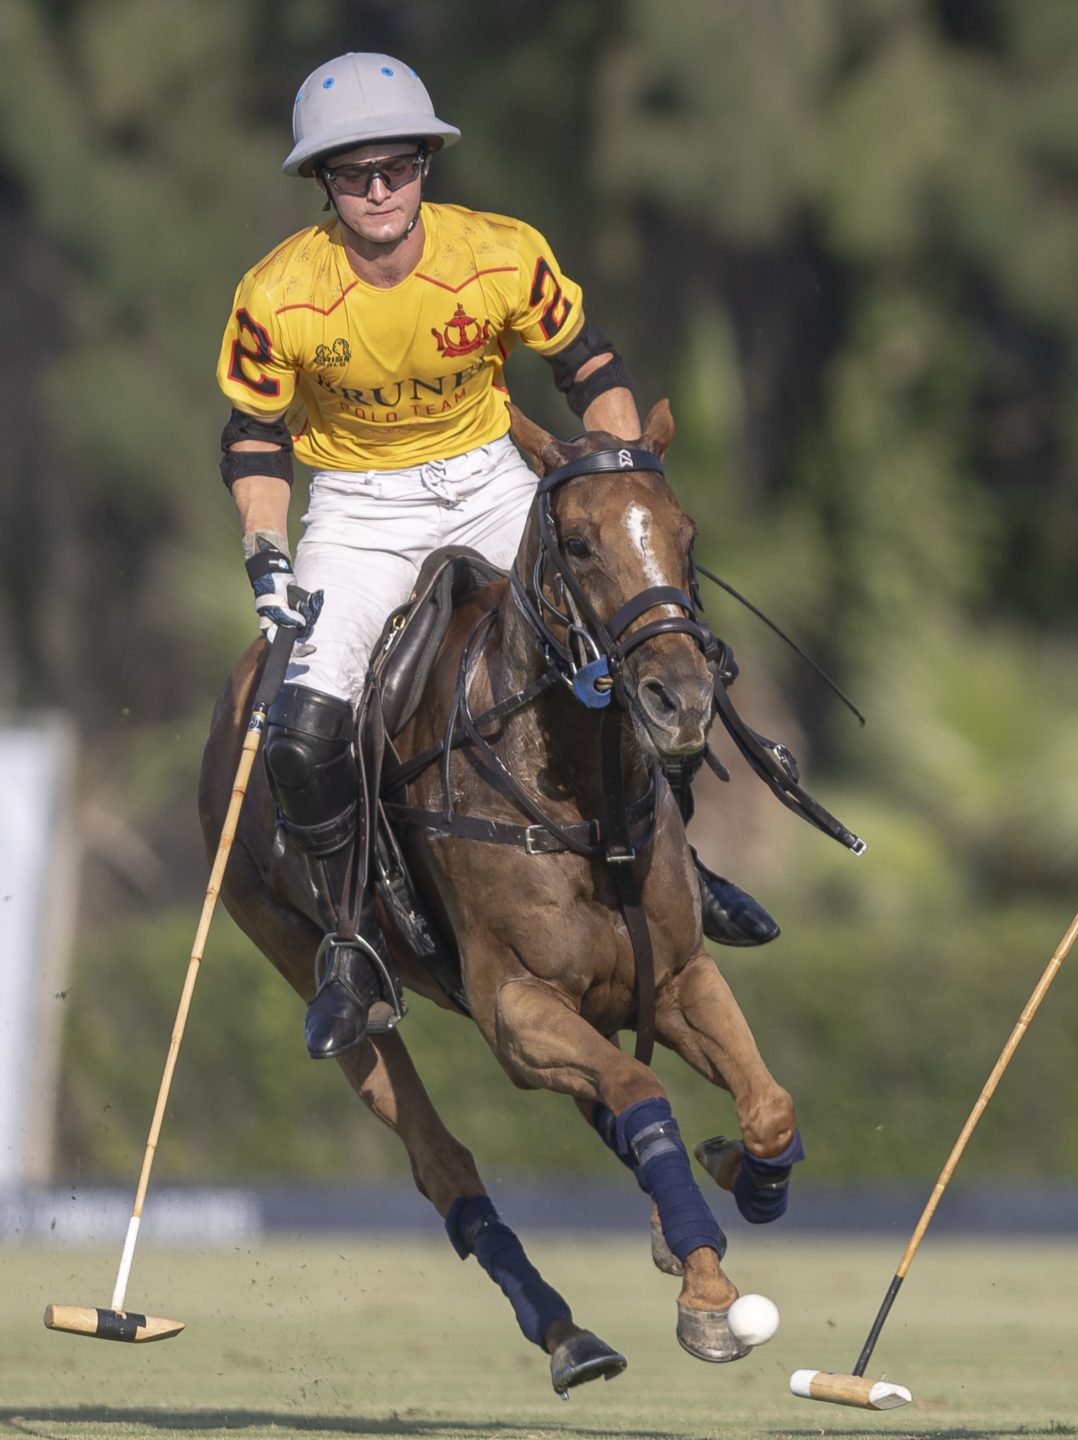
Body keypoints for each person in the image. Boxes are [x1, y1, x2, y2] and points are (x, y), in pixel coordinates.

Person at [217, 53, 776, 1061]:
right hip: (359, 507)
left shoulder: (502, 254)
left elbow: (590, 365)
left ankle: (678, 864)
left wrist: (616, 480)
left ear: (427, 162)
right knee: (303, 728)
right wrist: (268, 559)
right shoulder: (278, 293)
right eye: (353, 172)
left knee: (628, 641)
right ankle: (351, 946)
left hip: (487, 476)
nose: (379, 188)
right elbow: (254, 438)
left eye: (397, 164)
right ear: (322, 184)